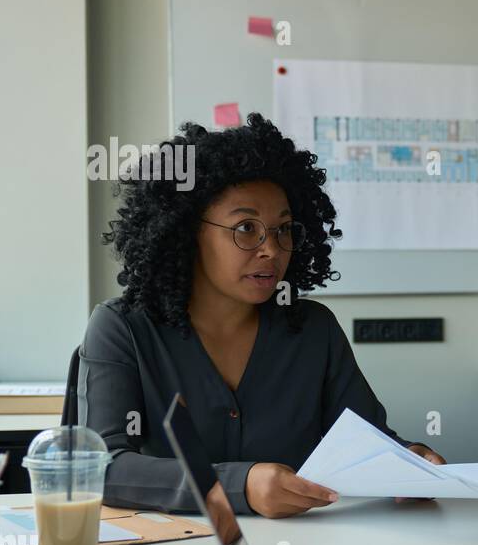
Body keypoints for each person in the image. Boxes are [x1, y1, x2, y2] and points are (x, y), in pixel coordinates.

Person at [81, 114, 444, 519]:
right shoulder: (123, 328)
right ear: (186, 232)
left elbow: (368, 442)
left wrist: (408, 460)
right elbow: (102, 468)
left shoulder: (312, 329)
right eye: (246, 228)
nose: (271, 249)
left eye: (283, 229)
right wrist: (240, 486)